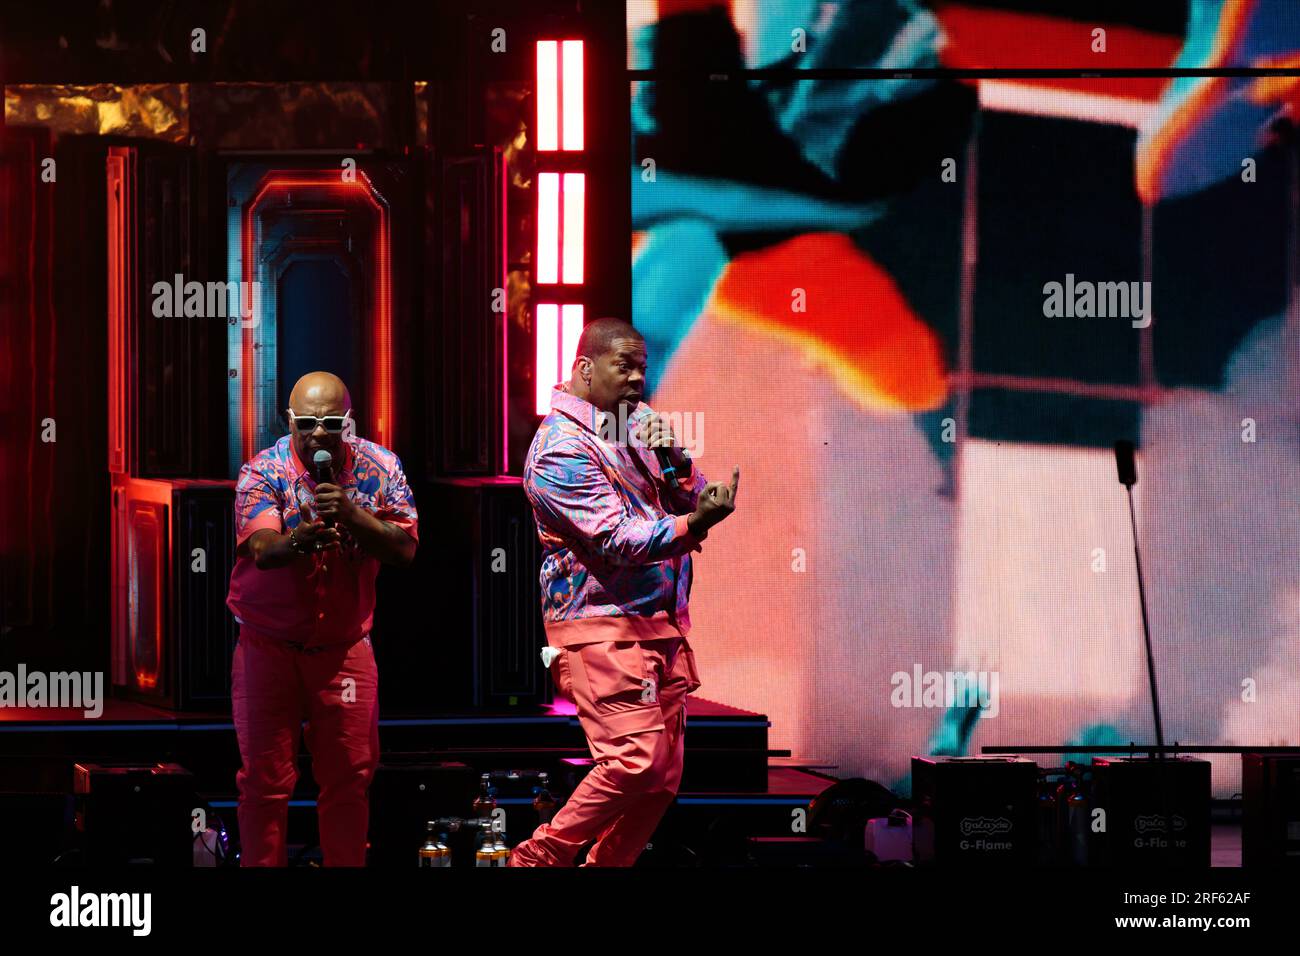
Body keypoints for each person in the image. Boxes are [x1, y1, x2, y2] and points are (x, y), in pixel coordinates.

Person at [509, 318, 740, 867]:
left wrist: (680, 465)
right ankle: (535, 860)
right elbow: (616, 538)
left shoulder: (633, 426)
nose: (639, 378)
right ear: (585, 368)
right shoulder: (560, 448)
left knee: (660, 779)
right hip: (602, 627)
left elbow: (684, 499)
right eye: (625, 366)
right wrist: (694, 526)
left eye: (642, 366)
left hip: (659, 624)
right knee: (634, 761)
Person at [226, 371, 417, 866]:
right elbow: (262, 549)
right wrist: (297, 542)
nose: (318, 434)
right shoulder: (262, 471)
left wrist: (353, 515)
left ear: (347, 423)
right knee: (264, 782)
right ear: (288, 419)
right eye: (307, 422)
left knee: (350, 778)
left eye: (331, 423)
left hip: (343, 649)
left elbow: (405, 549)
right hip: (268, 646)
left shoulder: (381, 467)